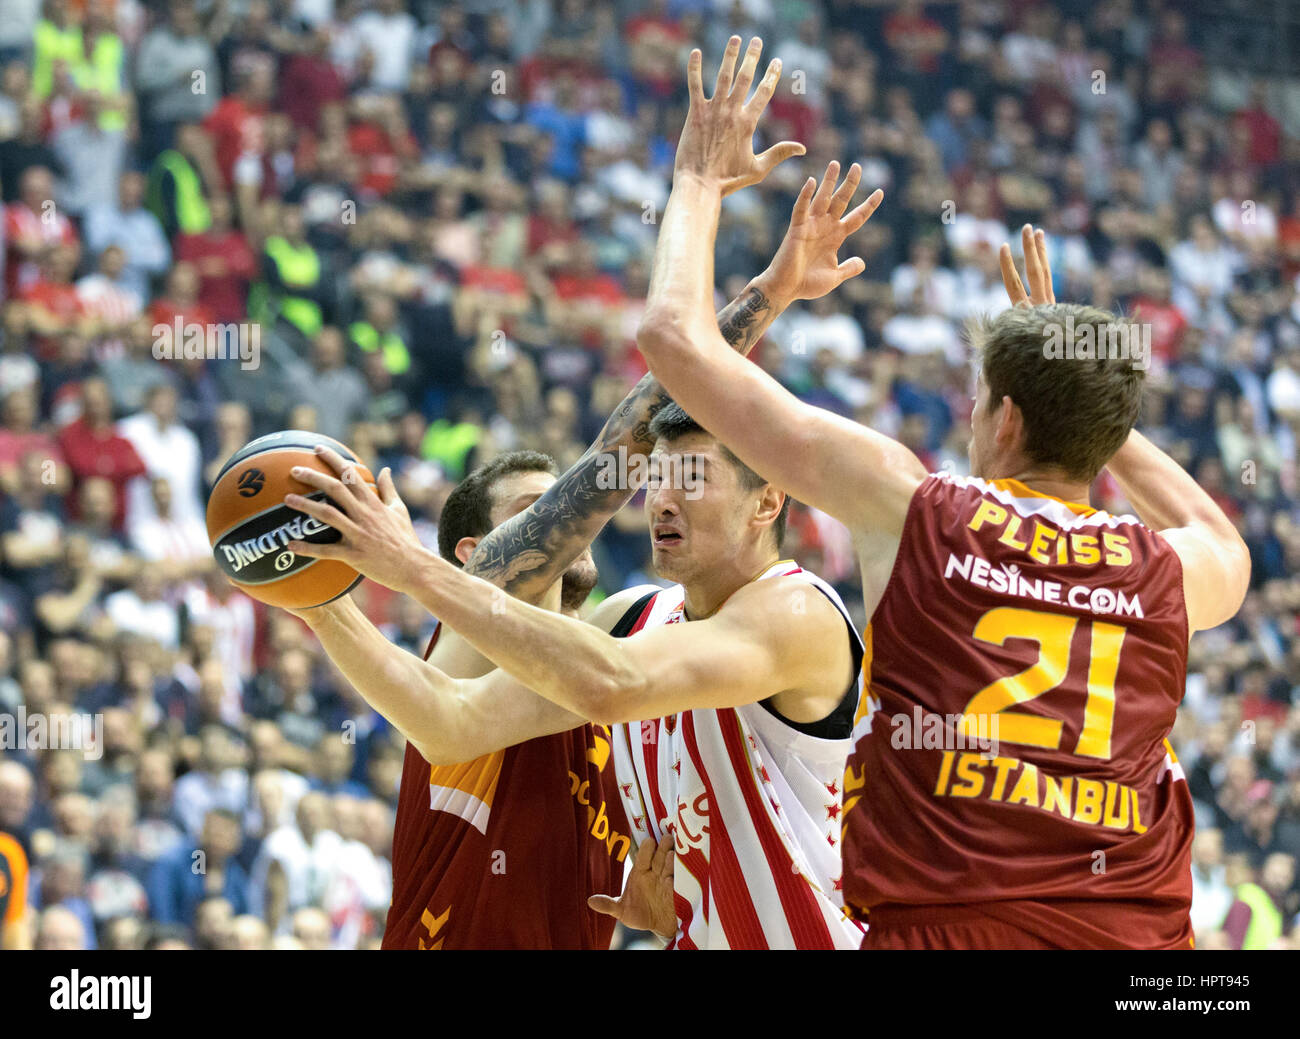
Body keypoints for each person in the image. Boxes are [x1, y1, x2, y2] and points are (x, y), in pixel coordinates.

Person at [630, 38, 1252, 950]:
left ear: (1001, 422)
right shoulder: (1169, 570)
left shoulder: (917, 511)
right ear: (1103, 435)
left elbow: (672, 339)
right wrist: (1086, 388)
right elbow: (1217, 531)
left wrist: (694, 177)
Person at [283, 182, 872, 949]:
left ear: (768, 504)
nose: (657, 498)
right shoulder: (605, 620)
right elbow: (451, 720)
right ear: (476, 553)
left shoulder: (787, 614)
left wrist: (764, 288)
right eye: (658, 479)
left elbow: (608, 665)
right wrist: (318, 595)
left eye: (687, 479)